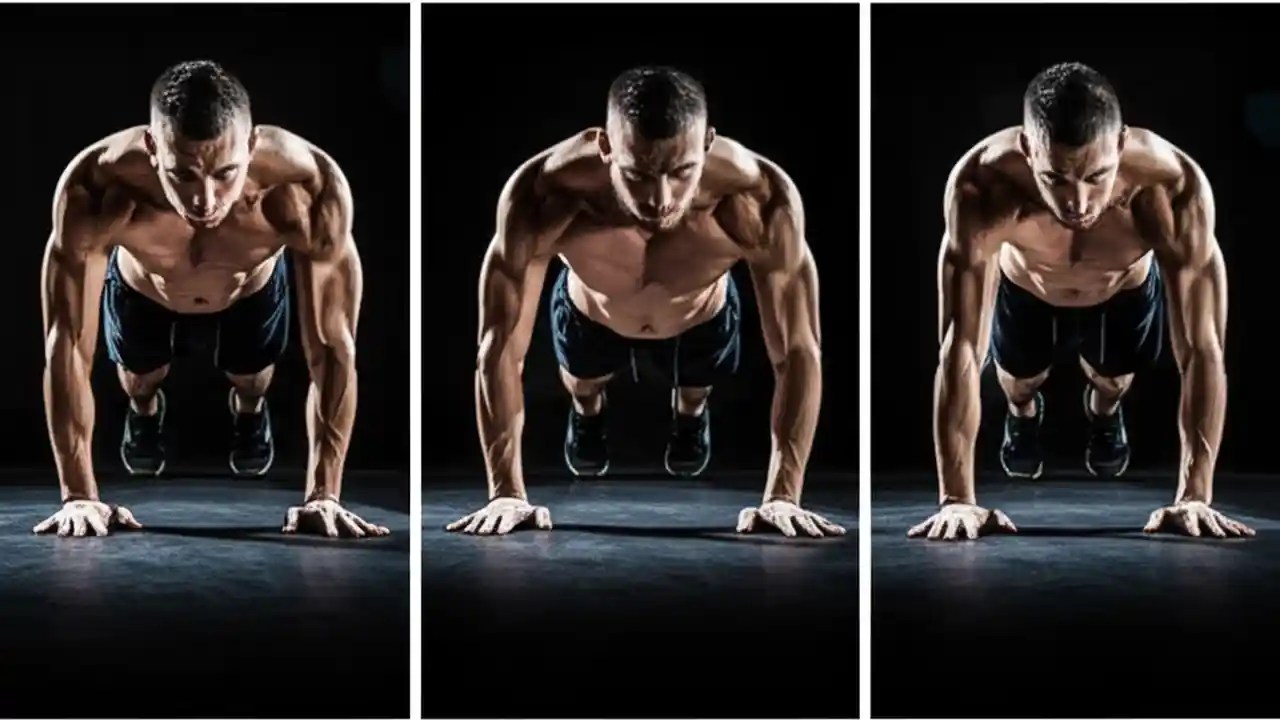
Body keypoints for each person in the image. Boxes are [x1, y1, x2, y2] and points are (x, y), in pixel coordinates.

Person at [445, 65, 844, 538]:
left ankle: (690, 415)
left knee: (696, 388)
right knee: (583, 386)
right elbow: (498, 349)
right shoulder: (546, 192)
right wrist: (506, 491)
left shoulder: (757, 197)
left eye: (681, 173)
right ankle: (587, 414)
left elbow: (799, 351)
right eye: (637, 175)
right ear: (606, 147)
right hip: (592, 310)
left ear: (708, 143)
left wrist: (783, 495)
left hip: (702, 312)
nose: (659, 199)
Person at [36, 59, 388, 538]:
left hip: (249, 286)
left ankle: (248, 410)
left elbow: (333, 347)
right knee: (138, 380)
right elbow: (67, 347)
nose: (204, 200)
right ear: (152, 148)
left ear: (251, 145)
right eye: (183, 175)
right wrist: (79, 496)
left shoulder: (305, 188)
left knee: (252, 379)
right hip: (145, 286)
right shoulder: (98, 187)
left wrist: (324, 494)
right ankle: (144, 413)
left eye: (225, 173)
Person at [910, 61, 1253, 541]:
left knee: (1111, 381)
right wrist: (957, 500)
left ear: (1120, 143)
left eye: (1097, 177)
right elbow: (962, 346)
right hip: (1028, 287)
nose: (1078, 202)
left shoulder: (1172, 189)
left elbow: (1203, 349)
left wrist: (1195, 495)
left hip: (1121, 287)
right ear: (1029, 150)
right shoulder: (982, 186)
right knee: (1018, 382)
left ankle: (1105, 414)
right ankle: (1023, 415)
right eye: (1056, 179)